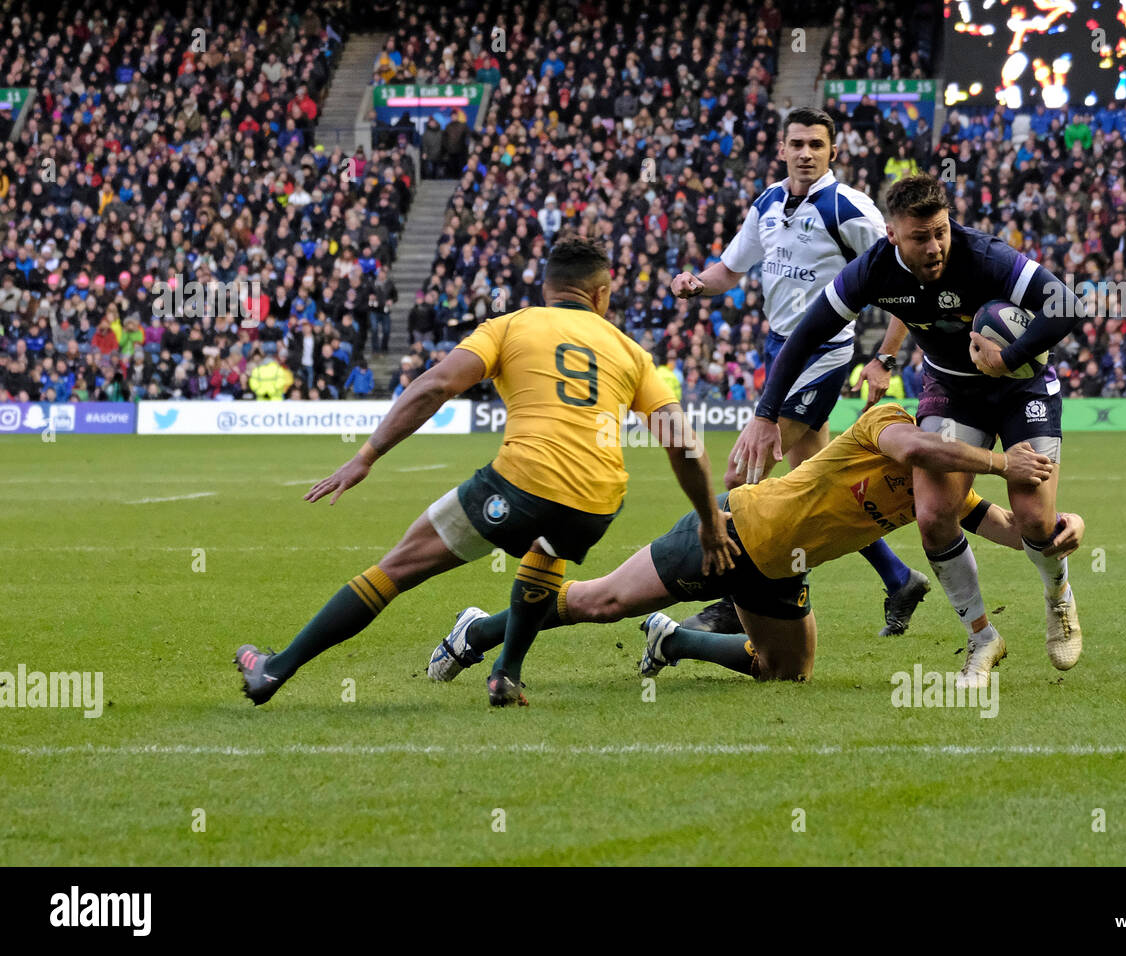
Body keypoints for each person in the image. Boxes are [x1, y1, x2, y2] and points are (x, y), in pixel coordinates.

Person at [235, 236, 734, 708]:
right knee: (549, 549)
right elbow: (684, 445)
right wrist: (710, 525)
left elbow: (436, 386)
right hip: (597, 502)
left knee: (398, 568)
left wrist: (367, 454)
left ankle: (275, 669)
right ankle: (506, 674)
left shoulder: (512, 325)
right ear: (602, 294)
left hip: (522, 482)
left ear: (546, 289)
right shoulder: (632, 352)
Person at [429, 402, 1082, 688]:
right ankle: (477, 632)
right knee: (600, 603)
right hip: (734, 530)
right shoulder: (890, 423)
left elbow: (1000, 525)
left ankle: (674, 640)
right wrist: (1002, 464)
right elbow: (915, 447)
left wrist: (1055, 533)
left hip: (779, 571)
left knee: (787, 673)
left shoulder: (941, 494)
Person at [731, 174, 1088, 685]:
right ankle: (983, 637)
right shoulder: (872, 270)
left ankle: (1058, 597)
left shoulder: (984, 256)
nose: (935, 245)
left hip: (1021, 388)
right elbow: (808, 332)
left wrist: (1007, 355)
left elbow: (1067, 304)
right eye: (920, 237)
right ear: (892, 235)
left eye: (940, 232)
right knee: (934, 515)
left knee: (1034, 519)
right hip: (951, 389)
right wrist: (766, 413)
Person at [668, 106, 927, 640]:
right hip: (777, 349)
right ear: (781, 149)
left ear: (834, 151)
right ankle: (899, 578)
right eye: (796, 143)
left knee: (743, 473)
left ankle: (731, 601)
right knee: (823, 483)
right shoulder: (767, 203)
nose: (805, 153)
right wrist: (698, 282)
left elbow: (906, 282)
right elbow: (729, 269)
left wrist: (885, 356)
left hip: (824, 354)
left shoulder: (850, 209)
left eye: (816, 144)